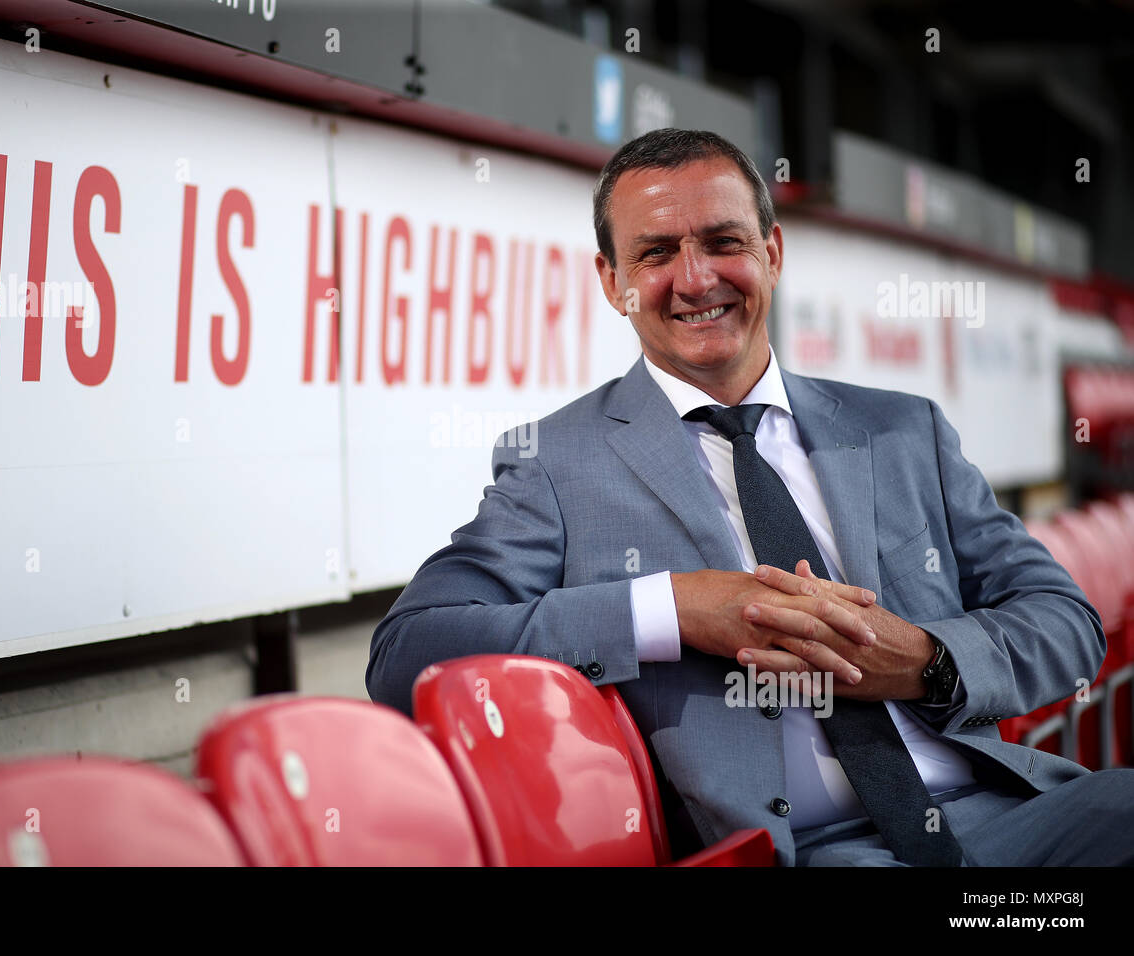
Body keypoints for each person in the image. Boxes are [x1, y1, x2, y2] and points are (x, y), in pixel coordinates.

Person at [366, 128, 1134, 866]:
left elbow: (1066, 625)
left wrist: (928, 663)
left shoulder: (904, 431)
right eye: (657, 253)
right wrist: (674, 609)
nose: (696, 279)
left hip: (1007, 816)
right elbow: (408, 654)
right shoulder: (557, 465)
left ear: (771, 253)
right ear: (612, 283)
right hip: (811, 851)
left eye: (724, 242)